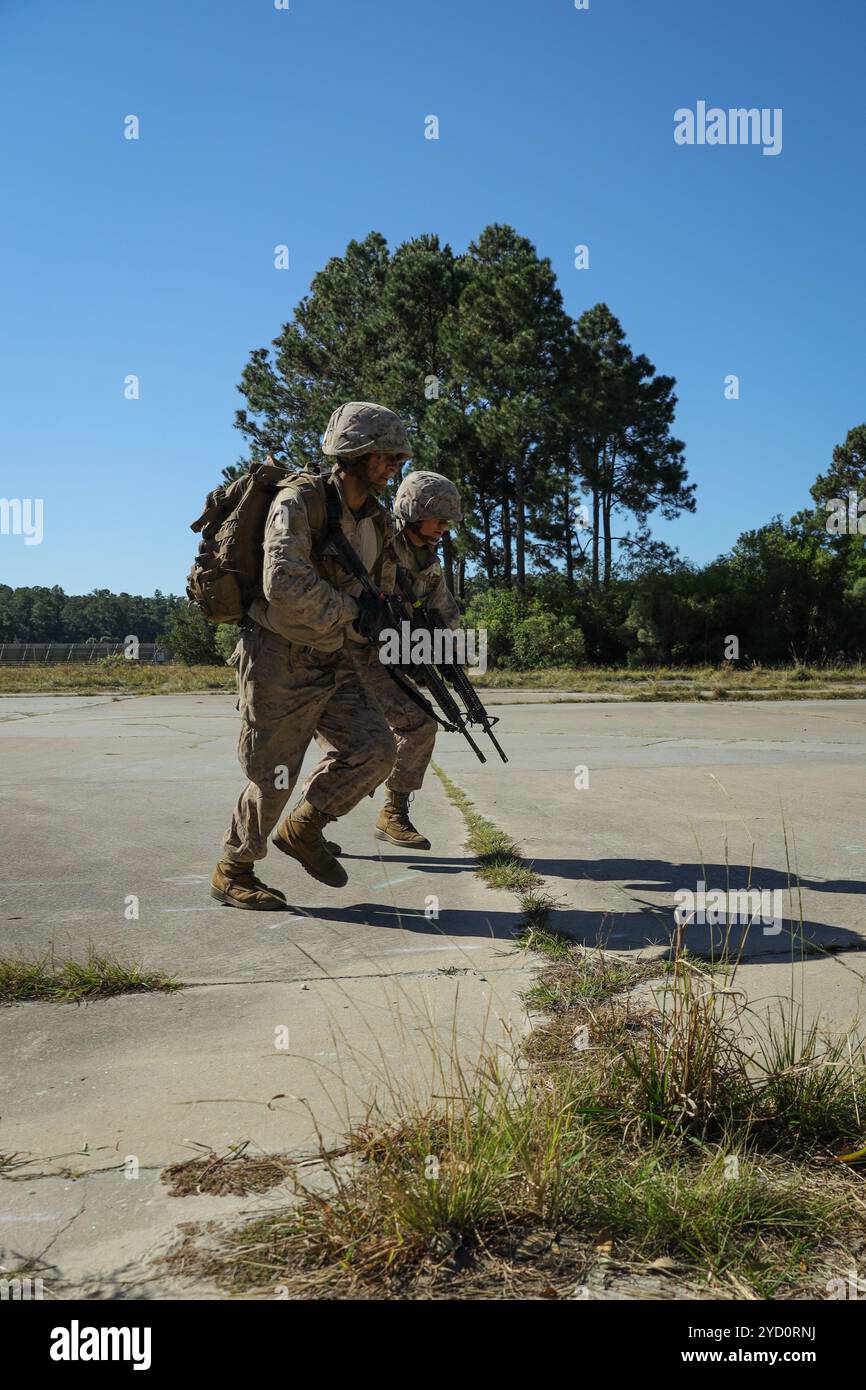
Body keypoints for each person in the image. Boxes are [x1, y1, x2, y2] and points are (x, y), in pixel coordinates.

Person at [210, 401, 409, 910]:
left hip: (335, 655)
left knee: (377, 750)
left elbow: (379, 591)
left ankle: (304, 827)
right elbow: (283, 583)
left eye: (396, 459)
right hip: (278, 654)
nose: (392, 467)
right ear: (355, 453)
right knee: (274, 776)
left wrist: (383, 624)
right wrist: (350, 610)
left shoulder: (378, 520)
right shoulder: (300, 501)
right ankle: (234, 870)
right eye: (385, 456)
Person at [359, 470, 462, 851]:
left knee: (418, 725)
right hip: (350, 659)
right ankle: (309, 822)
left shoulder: (428, 562)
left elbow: (444, 613)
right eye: (439, 519)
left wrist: (446, 656)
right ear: (415, 512)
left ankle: (392, 812)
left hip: (386, 662)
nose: (444, 528)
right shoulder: (377, 545)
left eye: (448, 521)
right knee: (361, 747)